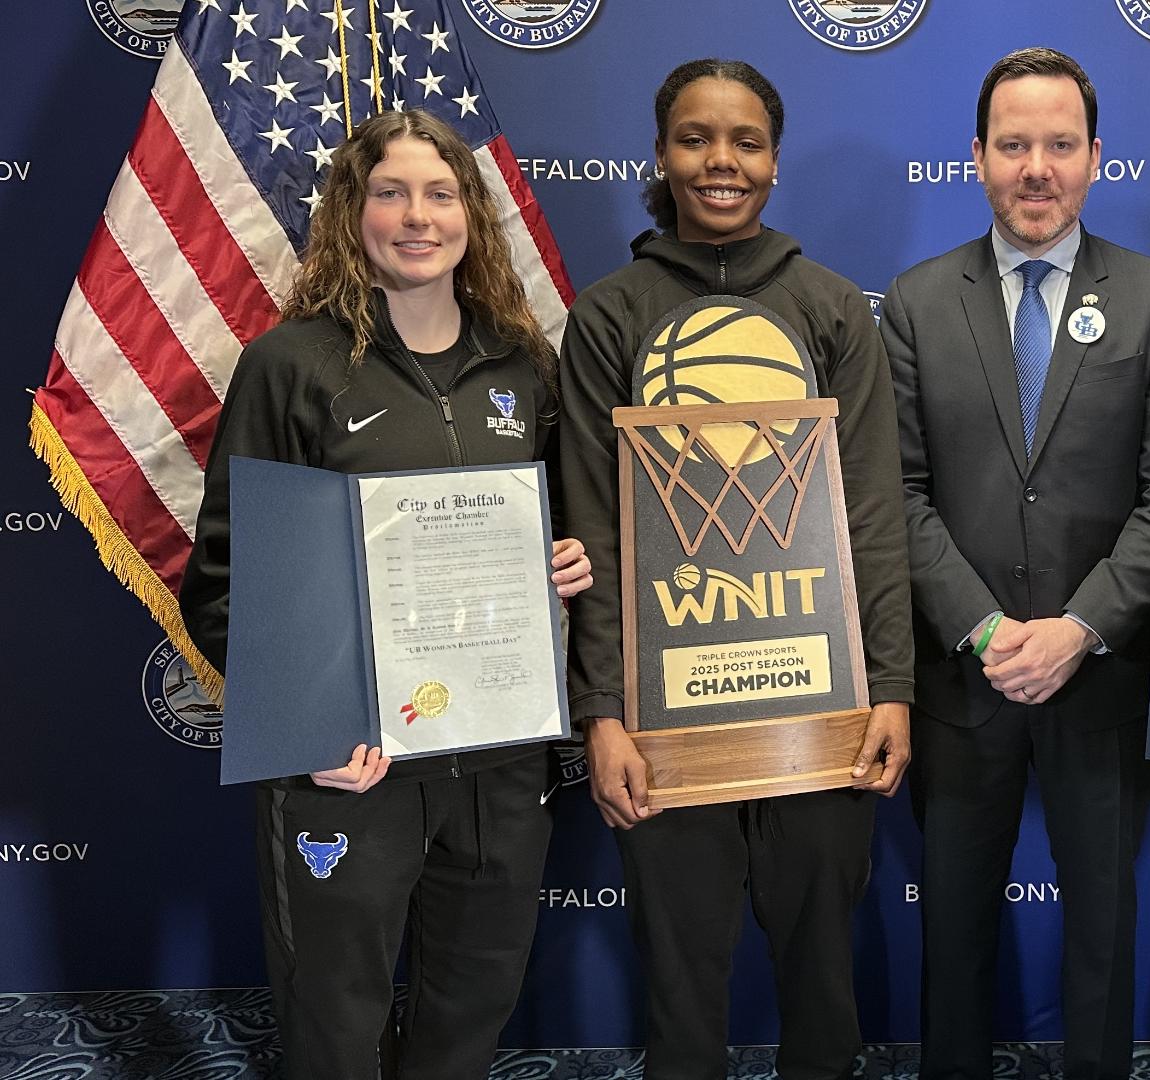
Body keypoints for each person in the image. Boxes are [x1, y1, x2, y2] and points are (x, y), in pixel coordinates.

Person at [179, 108, 593, 1079]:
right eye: (391, 192)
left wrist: (565, 566)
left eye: (440, 193)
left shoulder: (525, 362)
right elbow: (226, 581)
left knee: (468, 1017)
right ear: (350, 214)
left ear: (471, 215)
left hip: (496, 759)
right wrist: (311, 730)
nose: (418, 215)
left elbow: (563, 535)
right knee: (336, 1030)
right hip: (348, 766)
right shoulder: (292, 366)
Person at [555, 59, 913, 1080]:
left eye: (746, 140)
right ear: (662, 156)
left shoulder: (833, 309)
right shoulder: (610, 318)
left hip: (819, 703)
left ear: (774, 158)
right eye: (696, 138)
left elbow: (874, 514)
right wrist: (605, 713)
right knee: (679, 985)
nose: (721, 161)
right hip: (665, 718)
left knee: (822, 981)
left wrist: (890, 687)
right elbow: (596, 526)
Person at [880, 47, 1150, 1080]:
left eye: (1059, 145)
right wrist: (983, 629)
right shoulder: (918, 301)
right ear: (976, 157)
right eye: (1014, 144)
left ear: (1096, 158)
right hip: (960, 677)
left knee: (1104, 932)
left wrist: (1076, 629)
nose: (1037, 168)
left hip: (1103, 677)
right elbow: (897, 494)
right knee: (955, 935)